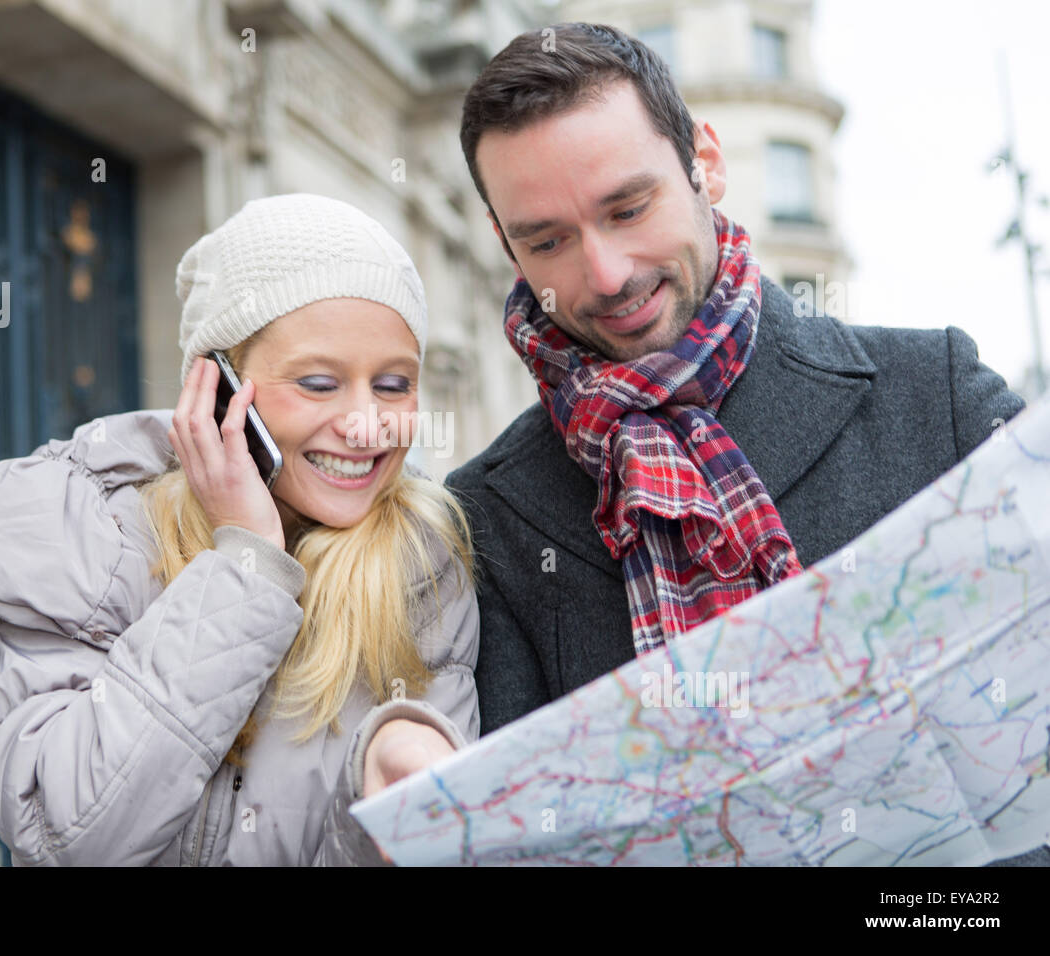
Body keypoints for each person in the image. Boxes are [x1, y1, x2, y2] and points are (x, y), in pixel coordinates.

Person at [445, 22, 1049, 866]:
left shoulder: (935, 392)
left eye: (629, 207)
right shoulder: (484, 519)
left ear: (708, 163)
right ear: (502, 240)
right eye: (547, 241)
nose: (608, 273)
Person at [0, 193, 479, 866]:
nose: (366, 424)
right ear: (218, 388)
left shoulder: (426, 566)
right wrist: (246, 566)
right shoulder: (91, 542)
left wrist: (382, 784)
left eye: (393, 384)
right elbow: (71, 836)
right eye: (319, 383)